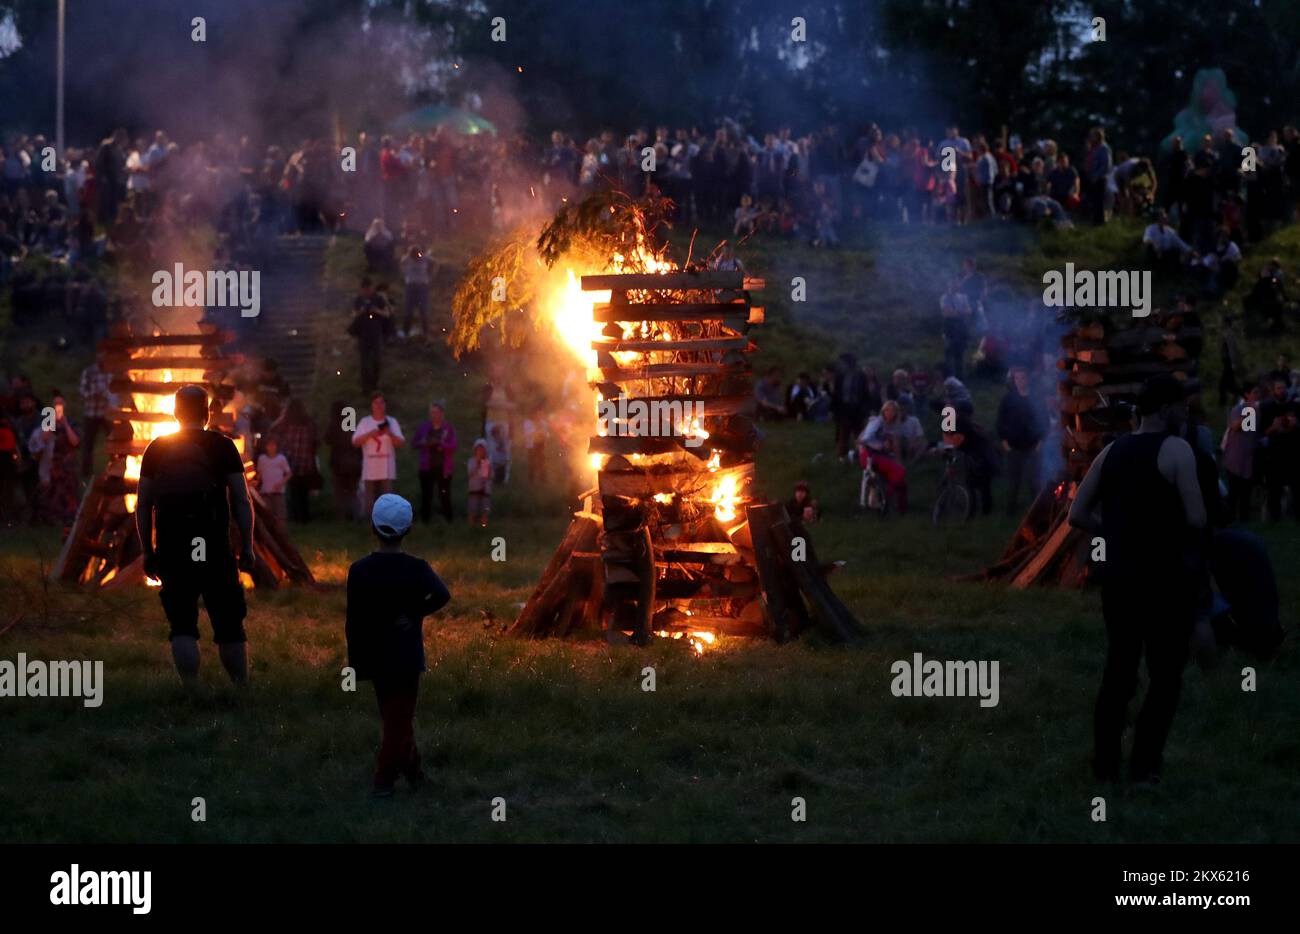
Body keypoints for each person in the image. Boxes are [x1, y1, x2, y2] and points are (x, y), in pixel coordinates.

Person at [1068, 375, 1208, 782]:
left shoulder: (1110, 452)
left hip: (1119, 580)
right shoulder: (1177, 449)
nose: (1185, 413)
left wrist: (1114, 532)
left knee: (1120, 670)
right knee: (1165, 676)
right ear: (1165, 409)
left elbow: (1076, 514)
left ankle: (1105, 765)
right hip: (1165, 579)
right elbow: (1197, 518)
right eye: (1181, 406)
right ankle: (1146, 765)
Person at [135, 385, 255, 685]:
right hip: (213, 544)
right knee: (228, 624)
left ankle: (190, 691)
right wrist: (248, 547)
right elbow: (241, 499)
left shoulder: (156, 448)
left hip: (173, 545)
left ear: (175, 413)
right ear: (207, 413)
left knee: (182, 625)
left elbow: (144, 503)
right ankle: (241, 689)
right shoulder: (223, 446)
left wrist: (148, 551)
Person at [345, 493, 451, 797]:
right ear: (408, 529)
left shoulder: (360, 570)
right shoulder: (417, 568)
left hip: (374, 657)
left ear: (373, 528)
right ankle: (383, 782)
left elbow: (353, 620)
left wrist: (355, 661)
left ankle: (414, 773)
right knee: (398, 721)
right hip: (405, 656)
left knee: (395, 718)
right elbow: (442, 595)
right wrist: (414, 613)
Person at [997, 366, 1047, 515]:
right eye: (1017, 378)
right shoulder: (1008, 398)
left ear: (1028, 379)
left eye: (1022, 378)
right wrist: (1004, 443)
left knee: (1034, 481)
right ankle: (1011, 511)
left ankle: (1037, 511)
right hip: (1013, 447)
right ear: (1014, 380)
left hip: (1032, 446)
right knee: (1013, 481)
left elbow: (1044, 421)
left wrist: (1040, 444)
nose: (1020, 381)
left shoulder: (1036, 399)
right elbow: (1000, 421)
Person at [28, 391, 81, 528]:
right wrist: (52, 422)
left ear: (65, 405)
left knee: (69, 492)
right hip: (52, 462)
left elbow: (75, 442)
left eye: (60, 403)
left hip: (67, 463)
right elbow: (43, 439)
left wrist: (65, 424)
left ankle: (69, 519)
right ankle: (51, 519)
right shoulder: (48, 421)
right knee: (52, 490)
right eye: (55, 404)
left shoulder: (72, 421)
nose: (58, 406)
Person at [352, 392, 405, 518]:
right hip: (370, 468)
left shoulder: (392, 422)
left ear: (385, 405)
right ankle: (369, 525)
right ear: (372, 405)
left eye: (381, 402)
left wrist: (389, 433)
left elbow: (401, 443)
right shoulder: (365, 422)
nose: (379, 405)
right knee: (369, 500)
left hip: (386, 468)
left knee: (387, 500)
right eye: (376, 403)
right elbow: (355, 442)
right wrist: (370, 434)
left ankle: (387, 524)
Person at [270, 398, 317, 523]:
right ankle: (305, 517)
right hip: (306, 461)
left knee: (293, 491)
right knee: (304, 492)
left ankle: (294, 517)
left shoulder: (285, 422)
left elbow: (273, 428)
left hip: (290, 461)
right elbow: (314, 441)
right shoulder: (309, 422)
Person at [858, 400, 909, 513]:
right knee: (899, 471)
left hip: (880, 455)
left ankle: (901, 509)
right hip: (869, 455)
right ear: (883, 411)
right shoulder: (877, 422)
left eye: (893, 410)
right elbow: (865, 439)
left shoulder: (892, 426)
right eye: (888, 410)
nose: (890, 412)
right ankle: (887, 498)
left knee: (901, 481)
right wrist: (881, 445)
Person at [1222, 384, 1263, 522]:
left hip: (1248, 458)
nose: (1258, 395)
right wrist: (1249, 413)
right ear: (1247, 394)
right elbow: (1235, 426)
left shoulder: (1257, 411)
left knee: (1246, 492)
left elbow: (1251, 432)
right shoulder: (1239, 409)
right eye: (1255, 392)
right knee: (1234, 492)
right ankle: (1230, 520)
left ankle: (1244, 520)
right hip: (1235, 457)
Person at [413, 402, 457, 523]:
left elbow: (453, 445)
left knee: (445, 495)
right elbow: (414, 443)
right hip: (426, 467)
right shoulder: (424, 427)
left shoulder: (448, 428)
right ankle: (425, 522)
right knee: (426, 496)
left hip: (444, 467)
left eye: (437, 412)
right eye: (432, 412)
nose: (434, 415)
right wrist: (424, 443)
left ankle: (449, 522)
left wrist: (441, 444)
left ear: (442, 413)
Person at [348, 279, 393, 395]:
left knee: (377, 360)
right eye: (365, 290)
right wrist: (361, 311)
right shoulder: (358, 299)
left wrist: (376, 310)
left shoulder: (378, 299)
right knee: (364, 362)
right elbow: (353, 314)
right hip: (363, 334)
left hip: (376, 333)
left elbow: (387, 313)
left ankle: (375, 384)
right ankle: (365, 387)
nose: (367, 292)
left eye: (369, 289)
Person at [325, 400, 363, 521]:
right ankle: (355, 516)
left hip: (337, 463)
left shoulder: (334, 426)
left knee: (339, 492)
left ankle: (340, 518)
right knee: (353, 491)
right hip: (354, 463)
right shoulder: (352, 425)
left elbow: (327, 440)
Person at [78, 359, 113, 478]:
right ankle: (86, 473)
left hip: (107, 414)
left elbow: (114, 392)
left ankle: (114, 470)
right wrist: (94, 393)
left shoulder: (111, 371)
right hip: (91, 413)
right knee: (88, 444)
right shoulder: (89, 372)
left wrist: (107, 395)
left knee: (114, 442)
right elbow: (82, 392)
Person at [399, 245, 435, 341]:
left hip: (422, 286)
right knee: (408, 310)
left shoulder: (424, 257)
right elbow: (401, 263)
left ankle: (425, 334)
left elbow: (435, 263)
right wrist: (405, 276)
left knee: (423, 310)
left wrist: (431, 276)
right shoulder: (408, 257)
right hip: (410, 286)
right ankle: (406, 333)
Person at [256, 436, 291, 524]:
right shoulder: (262, 459)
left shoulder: (281, 459)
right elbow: (259, 474)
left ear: (276, 446)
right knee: (267, 514)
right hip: (265, 491)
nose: (271, 447)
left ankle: (282, 532)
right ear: (266, 446)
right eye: (269, 445)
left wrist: (281, 483)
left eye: (273, 445)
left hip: (278, 492)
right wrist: (256, 483)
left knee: (281, 514)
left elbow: (289, 473)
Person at [467, 438, 492, 527]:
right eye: (478, 449)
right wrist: (478, 464)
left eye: (482, 449)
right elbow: (470, 474)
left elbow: (486, 476)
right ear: (475, 450)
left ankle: (483, 527)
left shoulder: (487, 461)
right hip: (474, 489)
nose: (480, 451)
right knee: (472, 510)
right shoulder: (471, 461)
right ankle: (471, 528)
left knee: (484, 511)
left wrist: (484, 464)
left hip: (484, 490)